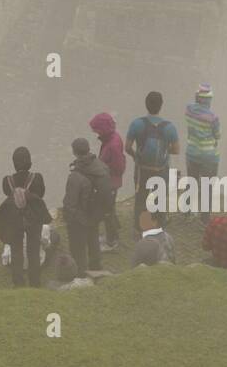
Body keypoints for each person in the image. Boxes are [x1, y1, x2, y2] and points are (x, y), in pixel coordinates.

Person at [0, 146, 53, 287]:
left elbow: (9, 195)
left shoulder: (7, 180)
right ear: (29, 161)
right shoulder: (37, 177)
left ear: (14, 162)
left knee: (16, 250)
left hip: (14, 218)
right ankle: (35, 282)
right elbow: (40, 195)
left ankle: (18, 283)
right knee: (33, 250)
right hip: (34, 218)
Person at [126, 91, 180, 232]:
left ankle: (139, 229)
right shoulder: (170, 127)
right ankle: (159, 228)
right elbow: (176, 150)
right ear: (161, 106)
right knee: (160, 200)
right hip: (160, 170)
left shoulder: (136, 124)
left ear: (146, 104)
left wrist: (135, 156)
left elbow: (127, 147)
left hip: (142, 170)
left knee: (140, 199)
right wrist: (164, 150)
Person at [63, 137, 111, 273]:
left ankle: (80, 273)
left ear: (74, 152)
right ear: (88, 149)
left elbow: (69, 203)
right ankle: (96, 268)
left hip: (80, 216)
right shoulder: (101, 166)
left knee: (78, 246)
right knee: (93, 239)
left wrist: (71, 218)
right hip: (96, 212)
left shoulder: (75, 176)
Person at [89, 112, 126, 251]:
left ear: (103, 129)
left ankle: (111, 242)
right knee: (109, 209)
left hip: (110, 183)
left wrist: (103, 170)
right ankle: (112, 234)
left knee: (107, 211)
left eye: (96, 129)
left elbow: (118, 167)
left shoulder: (113, 145)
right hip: (109, 181)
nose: (95, 132)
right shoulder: (112, 138)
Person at [183, 84, 221, 197]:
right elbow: (218, 136)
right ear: (208, 100)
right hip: (209, 157)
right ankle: (204, 214)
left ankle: (187, 211)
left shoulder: (188, 110)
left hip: (192, 153)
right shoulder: (213, 117)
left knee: (192, 182)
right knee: (207, 188)